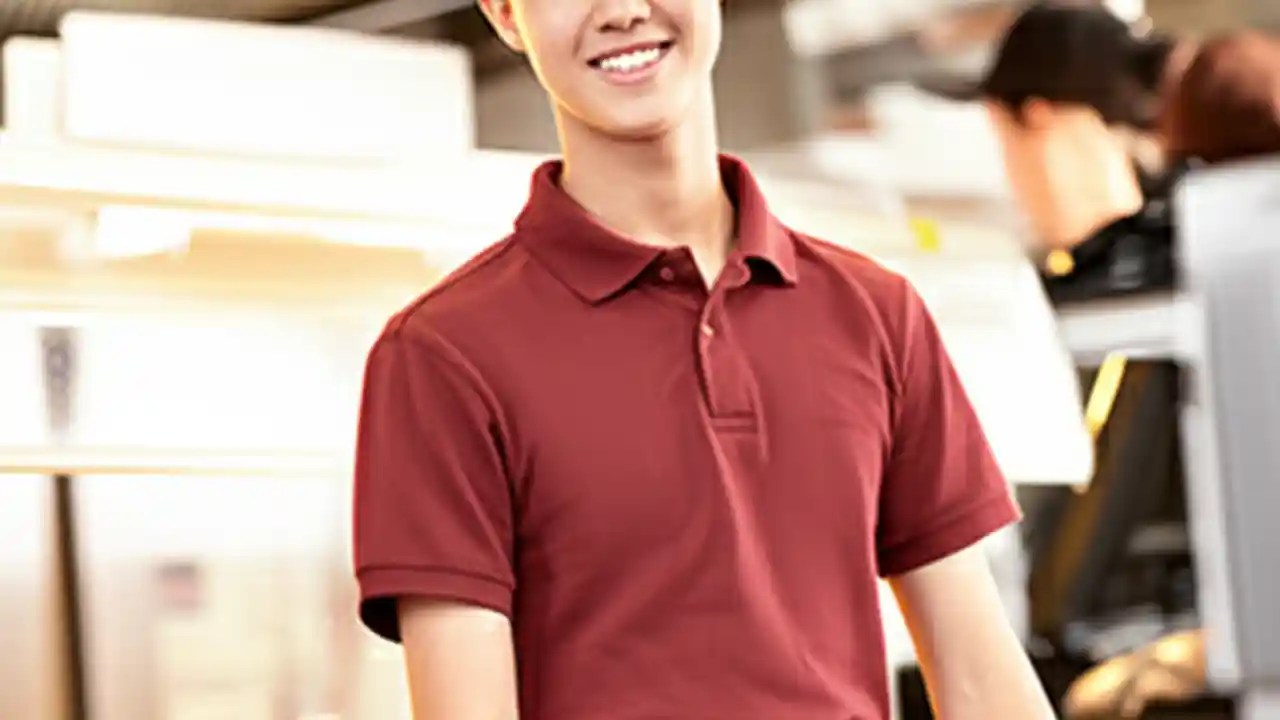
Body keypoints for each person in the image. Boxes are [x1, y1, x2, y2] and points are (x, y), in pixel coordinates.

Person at [351, 0, 1055, 717]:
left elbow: (982, 684)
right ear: (504, 12)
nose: (623, 10)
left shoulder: (877, 313)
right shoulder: (442, 357)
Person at [922, 1, 1183, 304]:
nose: (1010, 170)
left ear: (1038, 117)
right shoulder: (1176, 250)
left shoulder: (1098, 295)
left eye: (1005, 140)